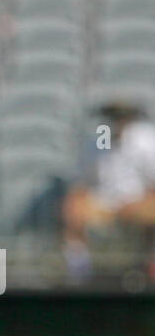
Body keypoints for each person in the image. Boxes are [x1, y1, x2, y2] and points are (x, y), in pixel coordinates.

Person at [62, 100, 155, 282]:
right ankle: (80, 271)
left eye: (122, 117)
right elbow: (81, 183)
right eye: (114, 117)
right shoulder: (97, 142)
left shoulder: (146, 141)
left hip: (137, 201)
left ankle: (150, 267)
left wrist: (135, 204)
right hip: (104, 203)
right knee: (73, 208)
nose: (118, 122)